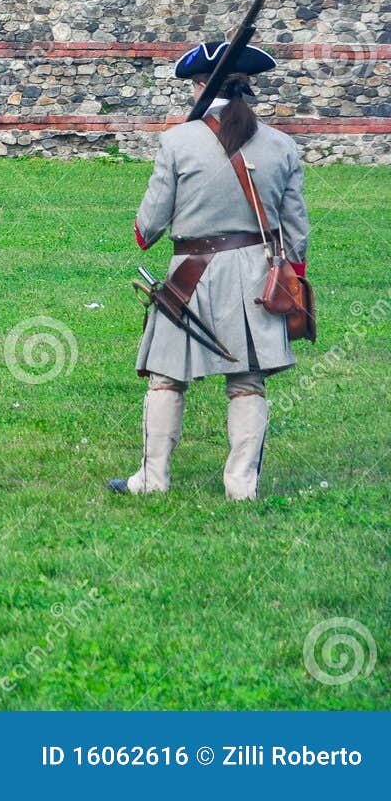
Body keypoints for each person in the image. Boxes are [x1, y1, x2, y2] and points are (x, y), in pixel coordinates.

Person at [110, 41, 310, 502]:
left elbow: (148, 229)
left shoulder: (177, 141)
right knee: (248, 383)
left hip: (190, 276)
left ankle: (152, 480)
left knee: (166, 378)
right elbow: (296, 233)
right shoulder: (282, 145)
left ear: (201, 85)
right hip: (257, 275)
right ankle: (241, 488)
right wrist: (290, 278)